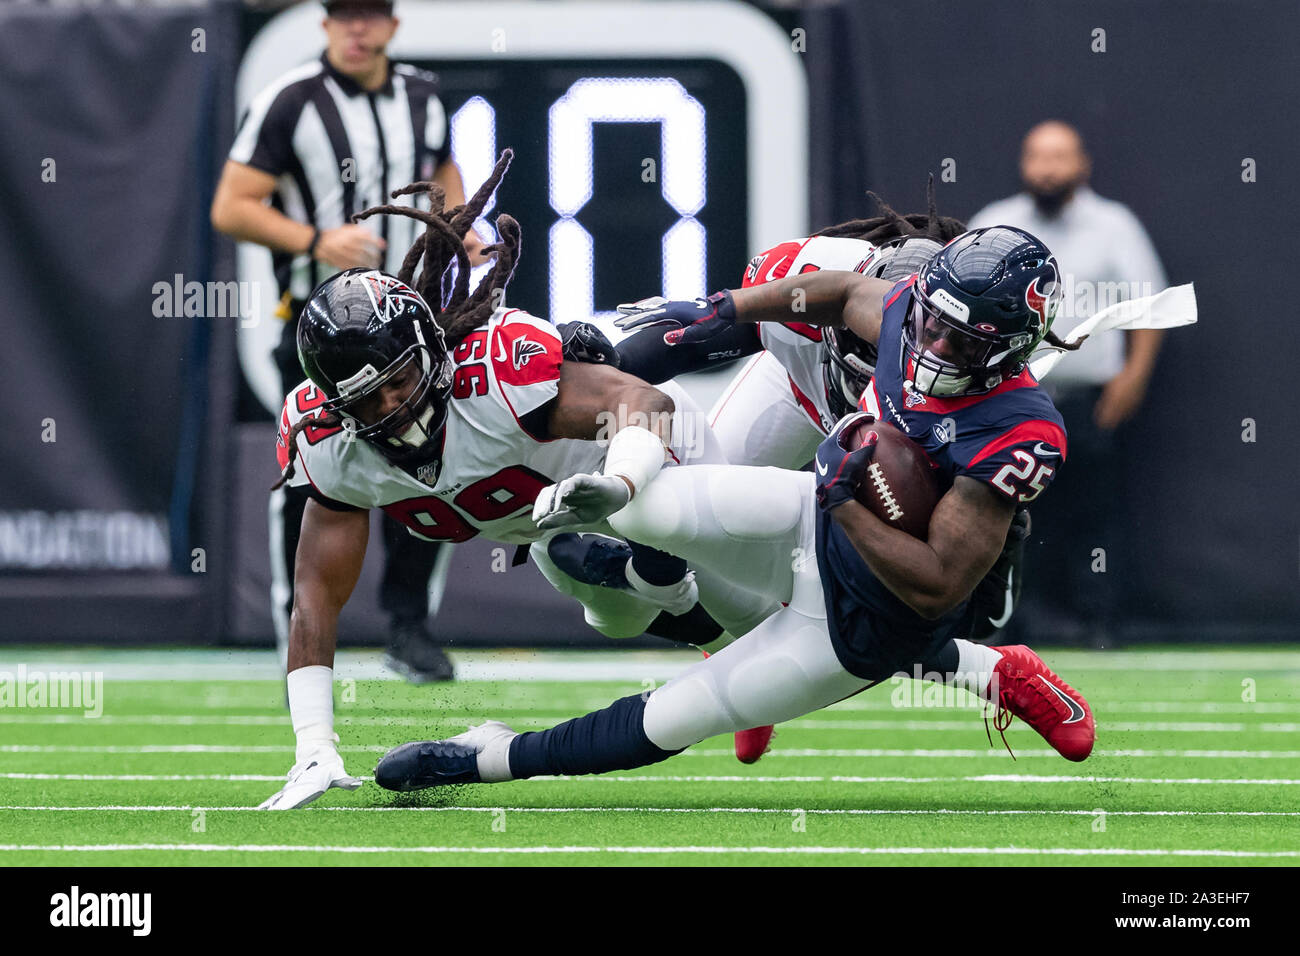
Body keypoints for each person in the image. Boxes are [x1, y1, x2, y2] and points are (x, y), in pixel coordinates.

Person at [373, 226, 1097, 794]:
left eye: (960, 342)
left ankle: (485, 756)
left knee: (669, 721)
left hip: (866, 620)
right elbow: (846, 293)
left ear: (1009, 349)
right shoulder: (909, 305)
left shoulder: (1018, 429)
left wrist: (845, 496)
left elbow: (935, 581)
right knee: (643, 504)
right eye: (932, 323)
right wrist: (720, 311)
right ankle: (654, 581)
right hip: (809, 517)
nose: (932, 345)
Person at [256, 153, 765, 810]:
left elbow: (648, 405)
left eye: (401, 383)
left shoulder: (497, 377)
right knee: (618, 616)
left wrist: (624, 484)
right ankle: (677, 607)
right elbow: (315, 597)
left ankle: (689, 597)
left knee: (737, 597)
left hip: (652, 462)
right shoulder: (334, 448)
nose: (393, 410)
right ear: (334, 407)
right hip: (554, 522)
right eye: (366, 402)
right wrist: (313, 745)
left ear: (432, 352)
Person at [210, 0, 485, 681]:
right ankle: (296, 640)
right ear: (325, 24)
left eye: (368, 15)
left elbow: (440, 168)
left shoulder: (421, 95)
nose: (355, 29)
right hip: (319, 328)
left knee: (429, 458)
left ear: (392, 24)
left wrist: (455, 225)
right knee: (310, 476)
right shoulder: (290, 100)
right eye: (343, 15)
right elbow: (232, 205)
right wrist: (316, 239)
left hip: (412, 322)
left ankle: (409, 626)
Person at [968, 120, 1168, 642]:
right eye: (1038, 156)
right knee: (1003, 510)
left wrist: (1133, 377)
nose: (1048, 168)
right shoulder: (996, 224)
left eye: (1060, 157)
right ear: (1023, 163)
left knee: (1094, 515)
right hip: (1011, 398)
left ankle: (1096, 624)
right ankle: (1004, 623)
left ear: (1082, 164)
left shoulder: (1113, 225)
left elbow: (1148, 306)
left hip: (1087, 401)